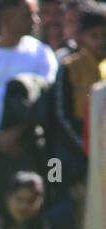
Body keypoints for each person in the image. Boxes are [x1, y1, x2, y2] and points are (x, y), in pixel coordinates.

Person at [0, 0, 59, 208]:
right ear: (6, 18)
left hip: (26, 152)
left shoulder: (42, 54)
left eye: (36, 15)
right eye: (28, 15)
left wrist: (14, 135)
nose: (36, 21)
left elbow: (46, 102)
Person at [52, 1, 106, 184]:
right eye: (95, 36)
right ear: (82, 37)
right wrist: (88, 147)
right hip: (75, 152)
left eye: (105, 36)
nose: (101, 42)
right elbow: (61, 116)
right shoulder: (69, 67)